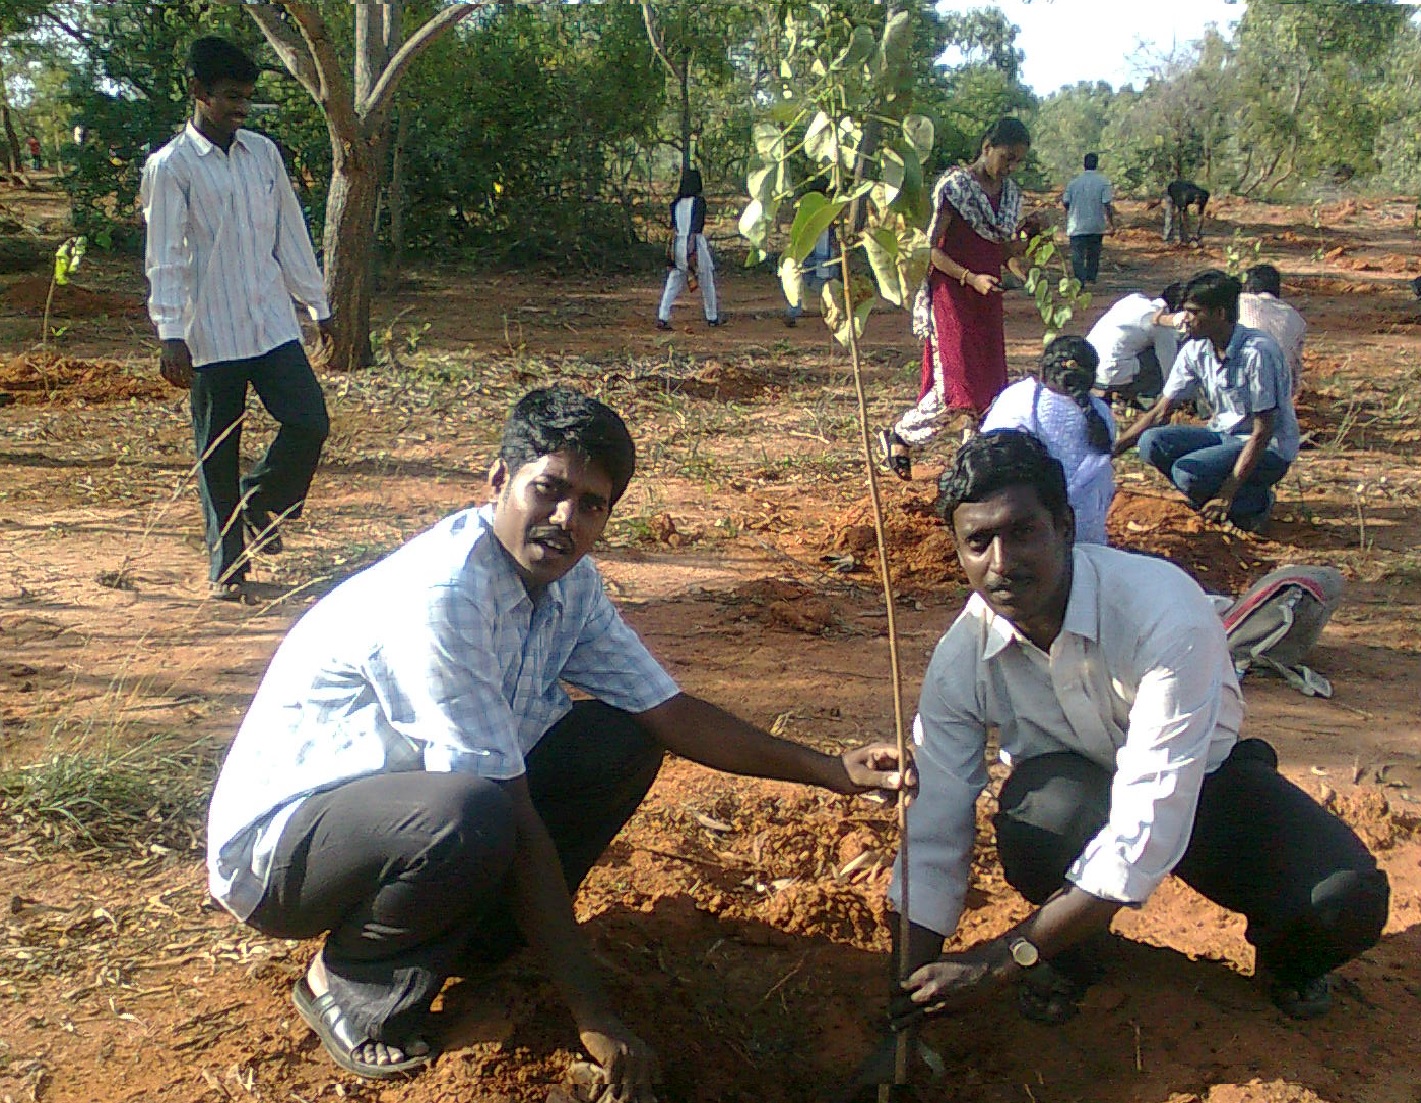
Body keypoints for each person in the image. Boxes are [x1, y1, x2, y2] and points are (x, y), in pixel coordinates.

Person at [206, 386, 910, 1094]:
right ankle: (351, 984)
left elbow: (666, 710)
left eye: (591, 504)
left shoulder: (571, 585)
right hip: (285, 853)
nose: (564, 519)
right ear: (496, 481)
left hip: (404, 814)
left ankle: (481, 937)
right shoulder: (444, 595)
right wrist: (593, 1012)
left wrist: (829, 768)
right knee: (473, 814)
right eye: (548, 489)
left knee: (619, 737)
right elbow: (508, 813)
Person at [883, 430, 1388, 1041]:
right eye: (978, 542)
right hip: (1078, 800)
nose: (1002, 562)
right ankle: (1072, 955)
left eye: (1023, 532)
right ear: (958, 551)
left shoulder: (1162, 611)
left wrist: (1000, 959)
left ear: (1066, 526)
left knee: (1343, 900)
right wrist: (905, 1004)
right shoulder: (963, 656)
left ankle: (1285, 964)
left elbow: (1148, 825)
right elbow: (934, 826)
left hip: (1207, 787)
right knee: (1040, 815)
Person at [140, 37, 332, 602]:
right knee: (217, 452)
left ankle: (263, 503)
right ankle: (228, 570)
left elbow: (290, 235)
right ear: (198, 93)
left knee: (309, 421)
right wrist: (170, 332)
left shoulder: (263, 154)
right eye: (229, 97)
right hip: (210, 334)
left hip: (270, 324)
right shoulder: (170, 168)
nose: (240, 109)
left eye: (247, 98)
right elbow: (165, 255)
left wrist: (317, 304)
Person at [878, 117, 1035, 481]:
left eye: (1017, 162)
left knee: (988, 383)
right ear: (987, 148)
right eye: (1006, 158)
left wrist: (1029, 244)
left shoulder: (1010, 195)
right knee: (956, 386)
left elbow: (1005, 250)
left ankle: (971, 459)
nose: (1010, 168)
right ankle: (899, 435)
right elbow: (929, 251)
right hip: (952, 294)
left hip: (985, 296)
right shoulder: (955, 188)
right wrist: (969, 277)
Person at [1115, 270, 1299, 534]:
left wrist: (1226, 493)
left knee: (1187, 473)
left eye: (1194, 312)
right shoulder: (1196, 348)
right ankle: (1209, 495)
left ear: (1220, 314)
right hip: (1224, 435)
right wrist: (1111, 451)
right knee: (1152, 442)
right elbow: (1160, 412)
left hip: (1268, 449)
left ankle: (1253, 503)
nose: (1185, 320)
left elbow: (1263, 430)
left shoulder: (1257, 352)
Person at [981, 336, 1116, 545]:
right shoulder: (1102, 412)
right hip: (1088, 537)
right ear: (1090, 379)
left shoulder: (1018, 399)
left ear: (1043, 371)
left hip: (1026, 535)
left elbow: (986, 459)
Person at [1086, 283, 1185, 408]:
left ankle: (1122, 392)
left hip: (1091, 368)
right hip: (1110, 375)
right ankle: (1146, 397)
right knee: (1168, 353)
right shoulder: (1161, 325)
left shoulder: (1133, 299)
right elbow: (1170, 369)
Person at [656, 167, 721, 329]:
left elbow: (674, 228)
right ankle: (712, 316)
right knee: (706, 280)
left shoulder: (675, 203)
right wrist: (691, 249)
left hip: (678, 243)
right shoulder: (698, 202)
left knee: (674, 280)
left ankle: (663, 316)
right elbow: (696, 227)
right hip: (695, 244)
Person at [1239, 264, 1307, 391]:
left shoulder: (1240, 302)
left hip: (1237, 388)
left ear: (1248, 286)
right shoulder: (1295, 318)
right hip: (1277, 394)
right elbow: (1295, 371)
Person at [1061, 152, 1116, 285]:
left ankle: (1079, 282)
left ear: (1084, 164)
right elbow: (1107, 204)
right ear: (1096, 164)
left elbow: (1066, 202)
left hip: (1076, 225)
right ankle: (1091, 278)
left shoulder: (1073, 183)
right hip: (1096, 224)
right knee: (1094, 254)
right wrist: (1111, 224)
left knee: (1077, 256)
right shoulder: (1104, 182)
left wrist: (1072, 212)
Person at [784, 225, 838, 327]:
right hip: (811, 252)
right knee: (825, 285)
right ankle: (793, 312)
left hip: (817, 250)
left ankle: (793, 313)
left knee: (826, 286)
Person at [1163, 179, 1210, 245]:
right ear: (1195, 198)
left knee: (1184, 218)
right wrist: (1189, 231)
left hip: (1182, 190)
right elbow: (1183, 217)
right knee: (1170, 216)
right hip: (1171, 191)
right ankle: (1168, 239)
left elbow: (1201, 216)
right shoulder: (1186, 196)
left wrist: (1198, 234)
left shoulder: (1204, 196)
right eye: (1196, 201)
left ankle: (1184, 239)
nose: (1196, 204)